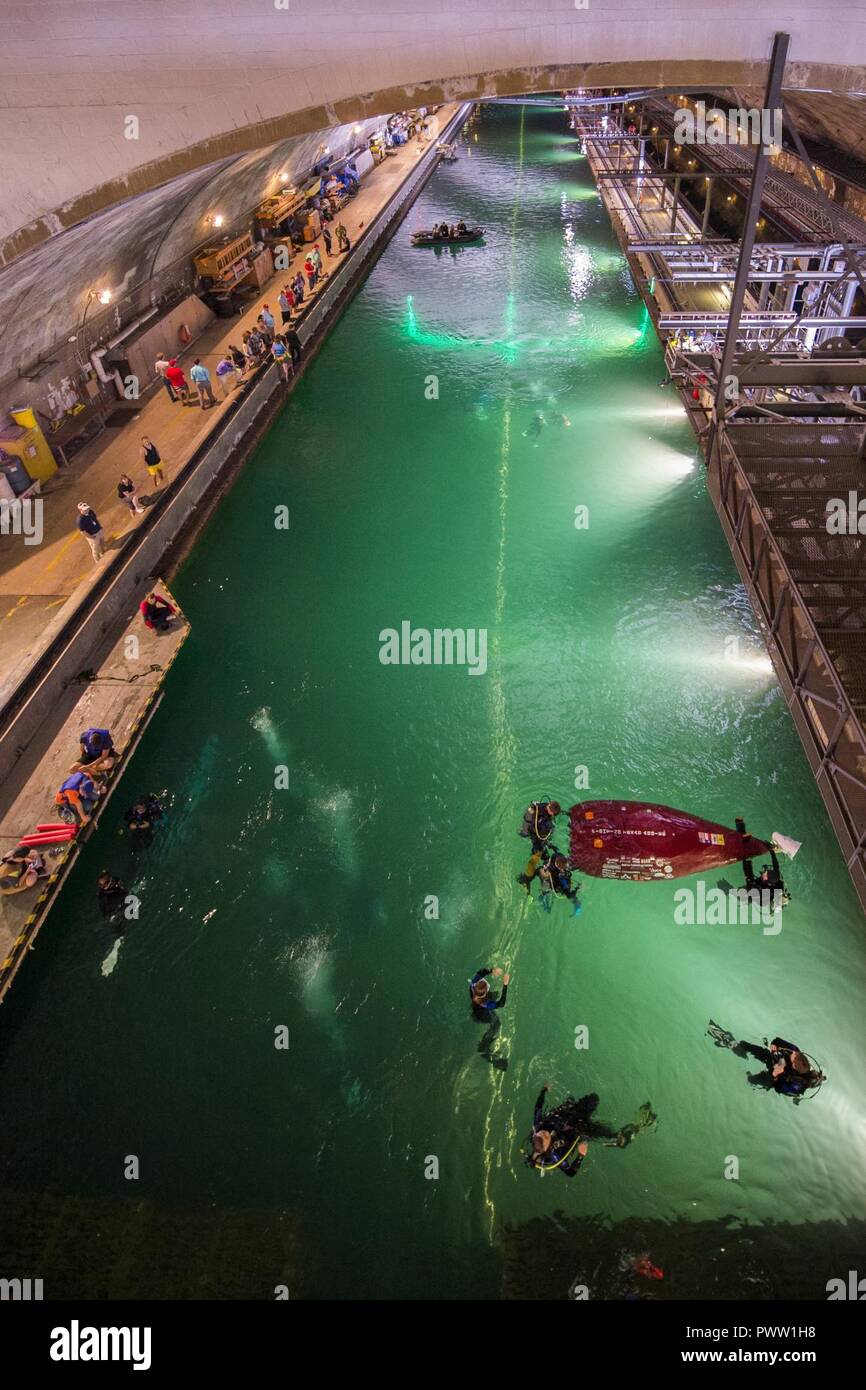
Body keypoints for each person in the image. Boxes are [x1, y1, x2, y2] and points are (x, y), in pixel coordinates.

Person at [707, 1021, 824, 1100]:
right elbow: (777, 1040)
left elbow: (778, 1088)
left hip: (775, 1077)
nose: (793, 1053)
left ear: (794, 1066)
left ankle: (748, 1078)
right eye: (796, 1054)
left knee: (751, 1080)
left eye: (794, 1056)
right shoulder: (795, 1051)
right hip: (775, 1060)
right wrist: (775, 1048)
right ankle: (734, 1045)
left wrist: (774, 1074)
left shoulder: (796, 1085)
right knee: (748, 1046)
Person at [527, 1085, 590, 1177]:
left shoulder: (537, 1127)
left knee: (570, 1102)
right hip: (570, 1131)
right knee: (590, 1103)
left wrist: (544, 1090)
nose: (542, 1133)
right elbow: (570, 1173)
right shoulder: (555, 1156)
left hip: (560, 1117)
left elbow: (538, 1108)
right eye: (543, 1139)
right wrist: (581, 1155)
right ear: (548, 1148)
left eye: (538, 1136)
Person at [468, 966, 510, 1070]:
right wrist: (505, 985)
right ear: (484, 993)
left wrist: (492, 970)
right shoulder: (486, 1004)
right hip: (482, 1016)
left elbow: (480, 972)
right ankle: (484, 1049)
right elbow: (501, 1004)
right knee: (497, 1023)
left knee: (494, 995)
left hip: (476, 1008)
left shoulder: (473, 985)